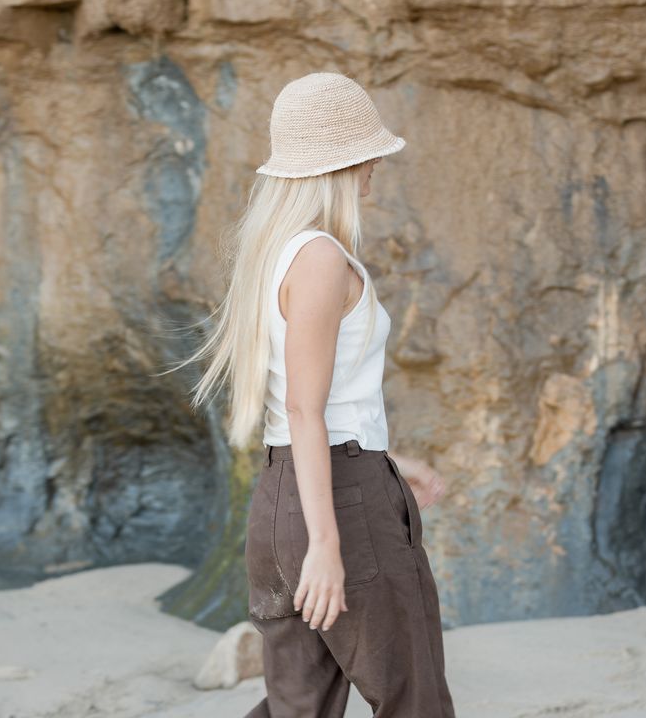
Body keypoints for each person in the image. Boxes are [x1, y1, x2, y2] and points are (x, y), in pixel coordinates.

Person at [174, 71, 456, 717]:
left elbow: (305, 407)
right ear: (344, 163)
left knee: (298, 706)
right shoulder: (323, 258)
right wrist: (328, 544)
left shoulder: (274, 252)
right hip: (338, 501)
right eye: (366, 156)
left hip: (280, 503)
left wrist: (389, 458)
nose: (374, 169)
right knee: (414, 699)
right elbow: (305, 406)